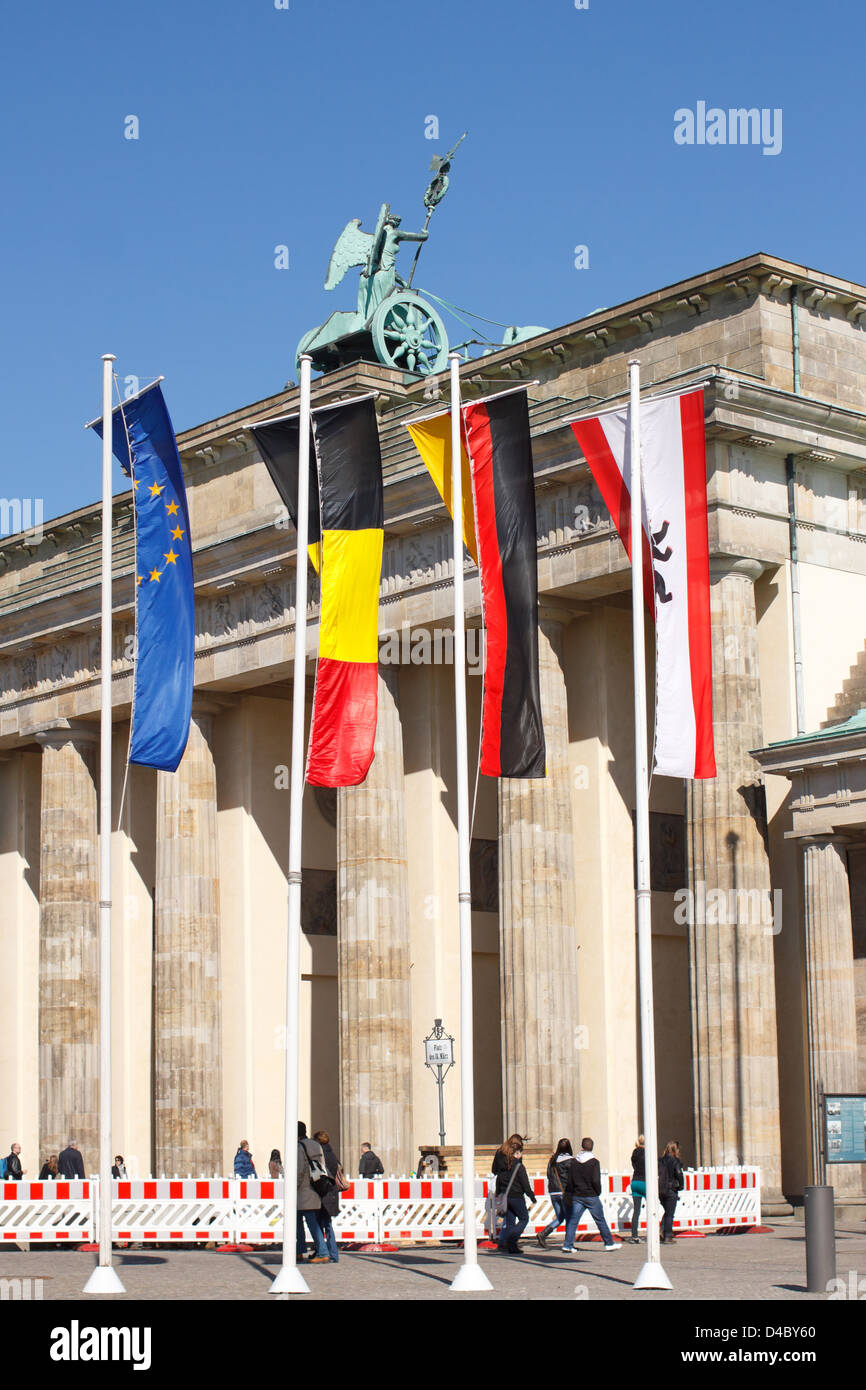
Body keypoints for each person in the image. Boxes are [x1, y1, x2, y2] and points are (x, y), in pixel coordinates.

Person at [560, 1138, 621, 1253]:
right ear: (592, 1148)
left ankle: (567, 1245)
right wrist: (597, 1192)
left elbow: (570, 1180)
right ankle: (609, 1243)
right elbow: (595, 1180)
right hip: (591, 1195)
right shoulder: (594, 1162)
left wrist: (571, 1192)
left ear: (582, 1147)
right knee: (600, 1220)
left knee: (573, 1220)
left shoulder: (574, 1162)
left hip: (577, 1195)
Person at [492, 1137, 536, 1254]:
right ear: (517, 1153)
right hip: (516, 1196)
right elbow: (525, 1184)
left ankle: (507, 1244)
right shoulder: (519, 1167)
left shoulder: (503, 1167)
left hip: (505, 1196)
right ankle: (512, 1240)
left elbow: (498, 1181)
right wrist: (532, 1196)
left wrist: (498, 1193)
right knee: (524, 1219)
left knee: (510, 1221)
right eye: (520, 1153)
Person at [297, 1123, 329, 1263]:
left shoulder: (299, 1147)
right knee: (310, 1222)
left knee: (308, 1224)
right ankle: (298, 1251)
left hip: (303, 1191)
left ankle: (322, 1252)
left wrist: (293, 1187)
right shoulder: (315, 1145)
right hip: (316, 1187)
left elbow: (299, 1170)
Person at [536, 1138, 573, 1247]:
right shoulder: (570, 1160)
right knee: (570, 1218)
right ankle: (568, 1243)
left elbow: (548, 1175)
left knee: (560, 1217)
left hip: (553, 1192)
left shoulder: (552, 1159)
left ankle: (543, 1234)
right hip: (564, 1192)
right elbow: (572, 1177)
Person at [313, 1130, 342, 1263]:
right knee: (328, 1225)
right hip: (332, 1192)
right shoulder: (332, 1154)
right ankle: (332, 1253)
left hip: (323, 1191)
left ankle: (322, 1251)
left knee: (319, 1223)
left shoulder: (321, 1155)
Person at [660, 1141, 685, 1243]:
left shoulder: (661, 1160)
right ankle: (668, 1235)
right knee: (670, 1213)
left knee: (667, 1212)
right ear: (676, 1150)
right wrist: (681, 1184)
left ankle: (661, 1232)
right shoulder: (675, 1161)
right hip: (671, 1189)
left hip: (661, 1189)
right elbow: (679, 1173)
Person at [629, 1135, 646, 1243]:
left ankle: (634, 1235)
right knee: (652, 1209)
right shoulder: (647, 1152)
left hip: (635, 1181)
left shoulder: (634, 1153)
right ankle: (654, 1232)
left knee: (636, 1211)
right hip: (645, 1181)